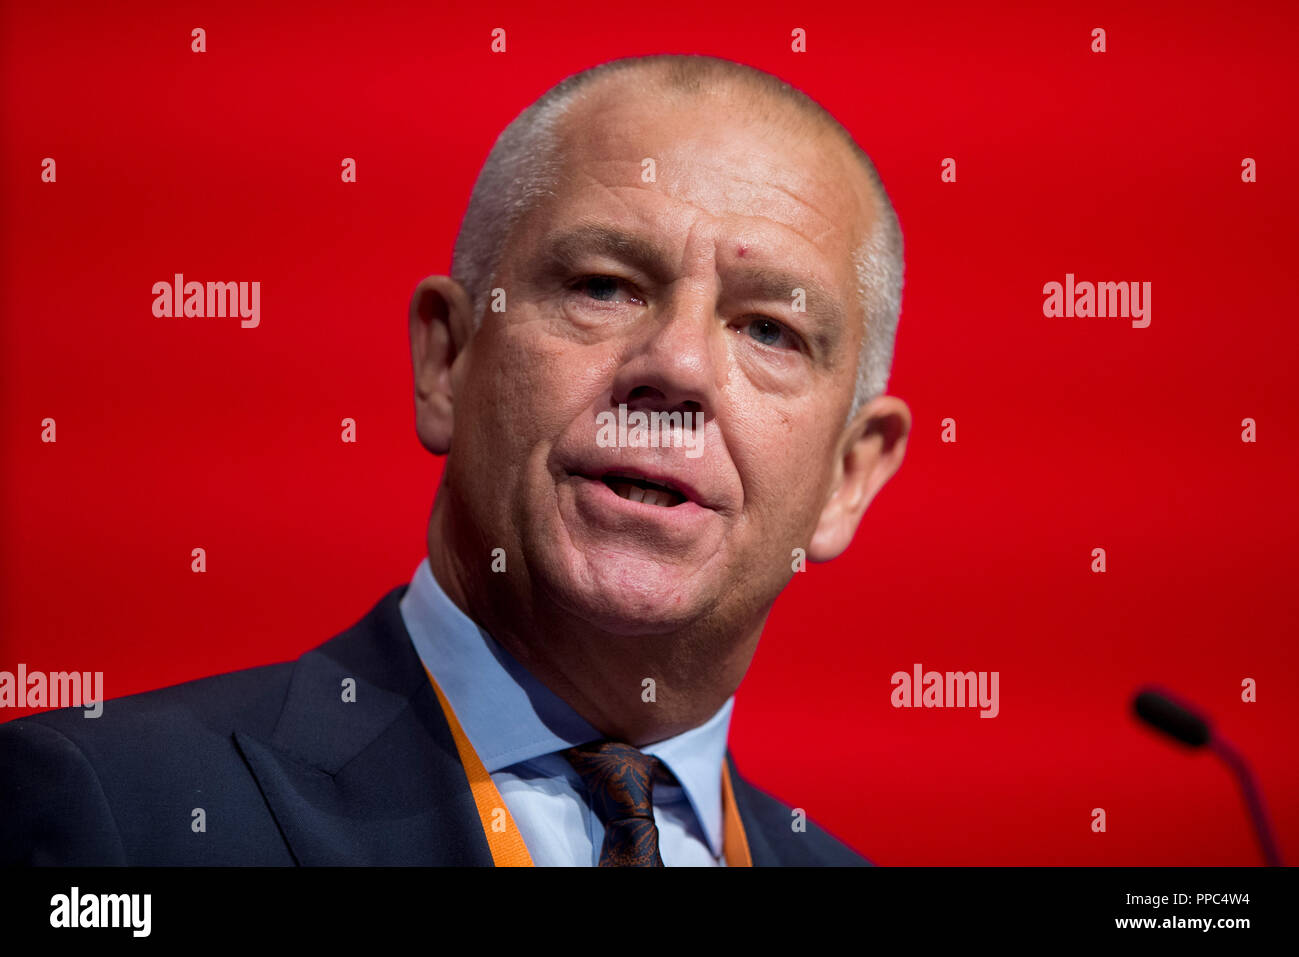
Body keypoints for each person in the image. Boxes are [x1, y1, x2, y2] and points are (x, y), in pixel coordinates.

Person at [0, 53, 911, 866]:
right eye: (603, 285)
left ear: (849, 475)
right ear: (445, 359)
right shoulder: (118, 814)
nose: (676, 367)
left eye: (769, 329)